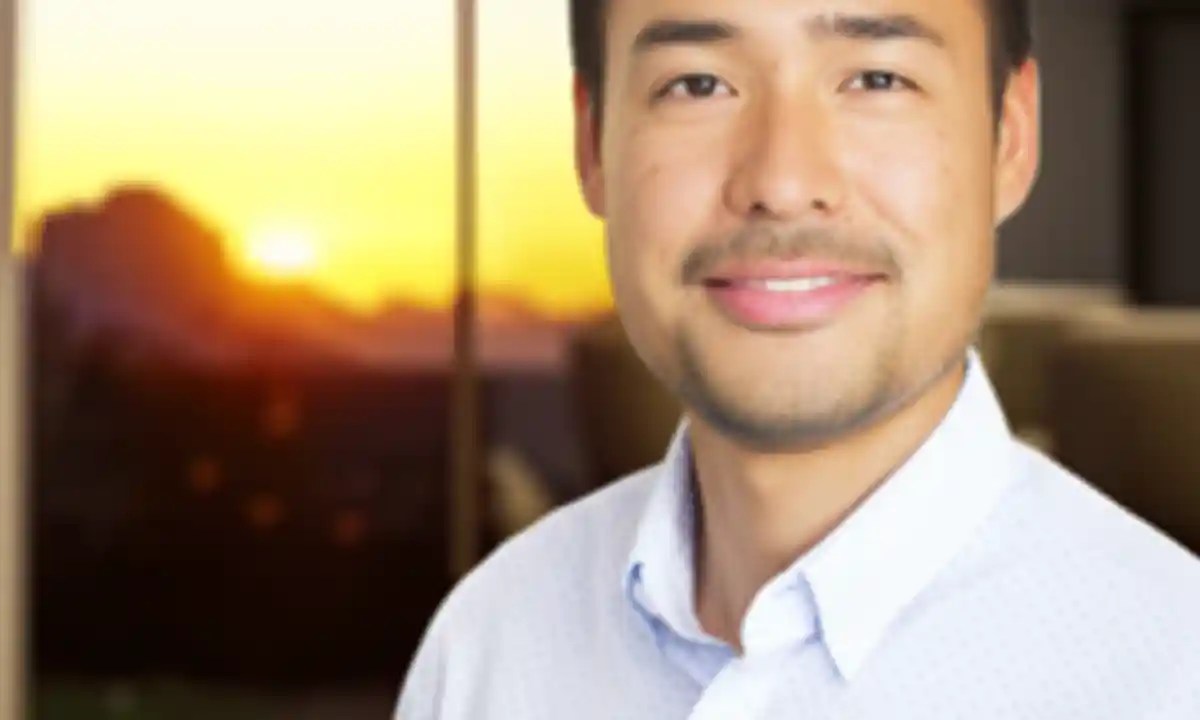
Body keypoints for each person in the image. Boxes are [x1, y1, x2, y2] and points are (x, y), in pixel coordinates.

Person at [398, 0, 1200, 717]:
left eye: (877, 79)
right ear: (592, 145)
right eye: (698, 85)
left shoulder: (1172, 675)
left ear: (1011, 139)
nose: (782, 181)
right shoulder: (489, 644)